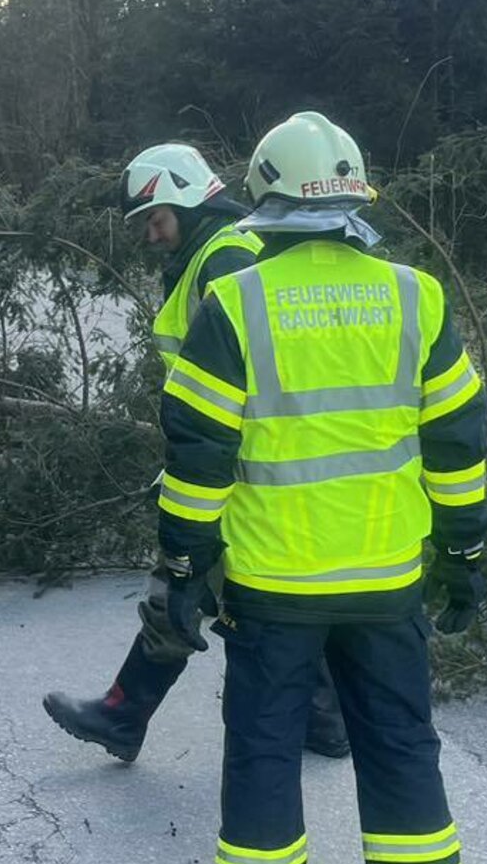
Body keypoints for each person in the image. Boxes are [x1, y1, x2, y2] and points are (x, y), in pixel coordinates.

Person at [156, 111, 487, 864]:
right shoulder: (416, 297)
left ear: (262, 199)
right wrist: (464, 555)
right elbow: (458, 443)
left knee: (263, 761)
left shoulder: (237, 302)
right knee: (402, 754)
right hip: (387, 585)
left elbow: (197, 462)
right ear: (355, 193)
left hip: (273, 591)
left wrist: (183, 574)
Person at [42, 144, 350, 763]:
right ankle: (325, 722)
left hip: (241, 470)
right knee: (259, 596)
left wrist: (201, 469)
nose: (152, 237)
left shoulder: (227, 256)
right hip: (248, 464)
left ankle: (123, 715)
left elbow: (250, 378)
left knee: (178, 591)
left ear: (184, 199)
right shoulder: (213, 252)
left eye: (155, 220)